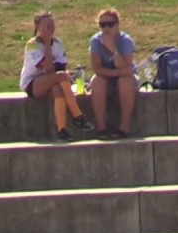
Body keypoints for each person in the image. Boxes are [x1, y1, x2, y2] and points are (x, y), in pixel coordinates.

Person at [19, 11, 93, 142]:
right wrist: (47, 43)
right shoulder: (32, 45)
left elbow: (60, 67)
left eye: (52, 24)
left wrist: (66, 74)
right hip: (33, 83)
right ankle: (77, 116)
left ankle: (62, 131)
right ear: (37, 26)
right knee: (61, 77)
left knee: (58, 90)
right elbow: (47, 68)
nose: (50, 28)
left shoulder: (58, 42)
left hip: (53, 79)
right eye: (46, 25)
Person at [88, 8, 138, 140]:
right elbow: (97, 69)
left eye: (110, 24)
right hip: (106, 77)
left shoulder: (125, 41)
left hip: (124, 78)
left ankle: (124, 126)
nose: (106, 28)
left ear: (117, 24)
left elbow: (127, 67)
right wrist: (118, 72)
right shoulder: (96, 41)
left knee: (125, 81)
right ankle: (101, 127)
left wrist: (113, 50)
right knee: (96, 81)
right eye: (102, 25)